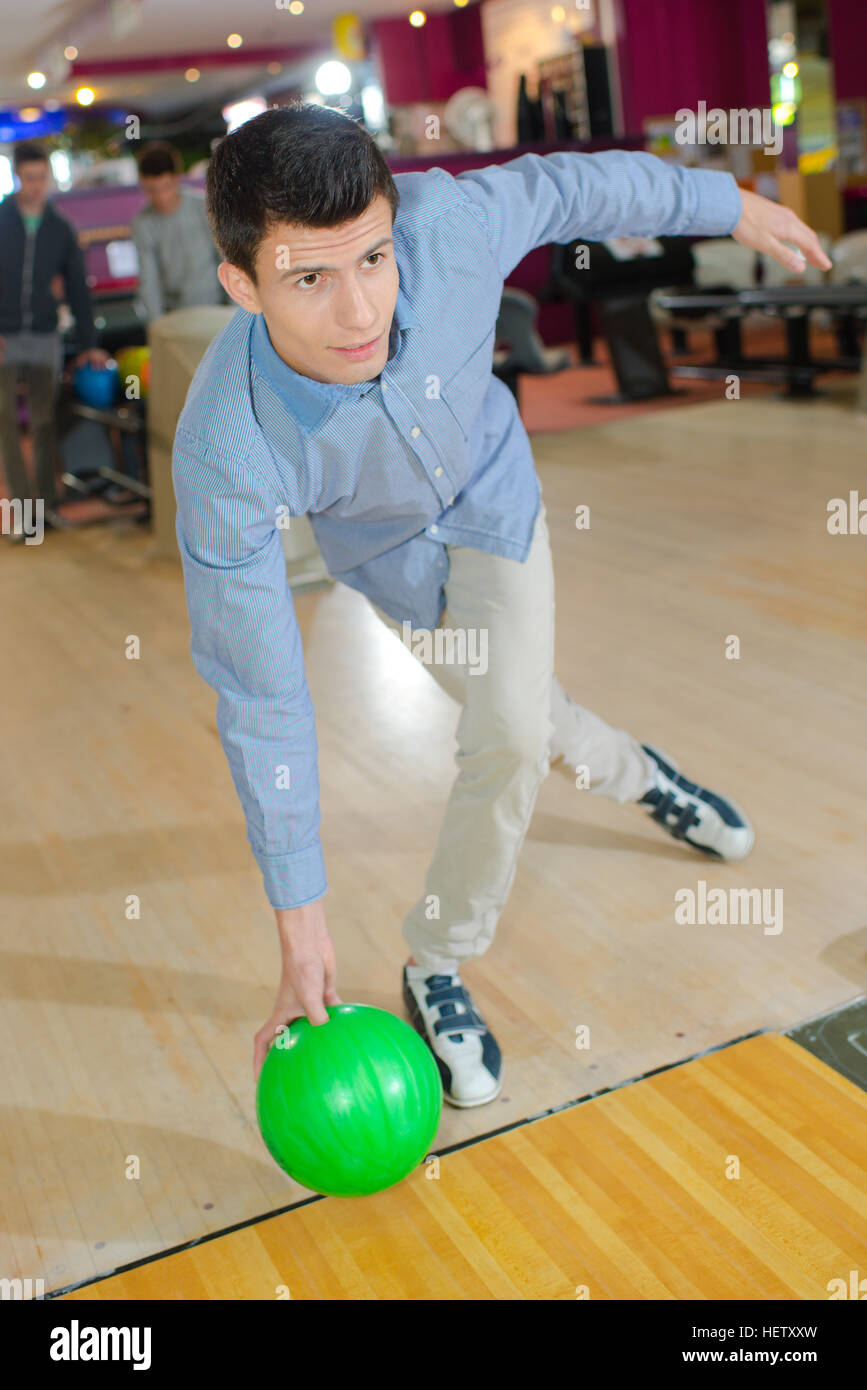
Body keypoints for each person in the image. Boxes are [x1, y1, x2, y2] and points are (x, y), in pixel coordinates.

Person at [171, 104, 830, 1106]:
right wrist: (299, 926)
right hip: (392, 564)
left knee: (510, 732)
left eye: (374, 261)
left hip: (493, 505)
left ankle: (435, 957)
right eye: (310, 278)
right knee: (528, 720)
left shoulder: (451, 221)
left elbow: (576, 186)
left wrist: (724, 200)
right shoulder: (229, 447)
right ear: (242, 284)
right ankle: (645, 775)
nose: (360, 313)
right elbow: (261, 693)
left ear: (400, 228)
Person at [0, 141, 108, 542]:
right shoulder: (1, 220)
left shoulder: (60, 229)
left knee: (44, 423)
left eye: (41, 178)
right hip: (6, 339)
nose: (35, 186)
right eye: (28, 178)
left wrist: (90, 343)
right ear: (16, 178)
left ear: (48, 178)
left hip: (45, 336)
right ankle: (24, 516)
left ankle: (46, 510)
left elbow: (79, 290)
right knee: (8, 426)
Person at [131, 142, 227, 322]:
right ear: (143, 185)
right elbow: (148, 281)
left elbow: (226, 259)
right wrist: (156, 326)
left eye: (165, 187)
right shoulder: (143, 224)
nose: (161, 197)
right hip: (176, 318)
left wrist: (233, 312)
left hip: (217, 311)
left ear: (177, 179)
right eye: (152, 190)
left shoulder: (205, 208)